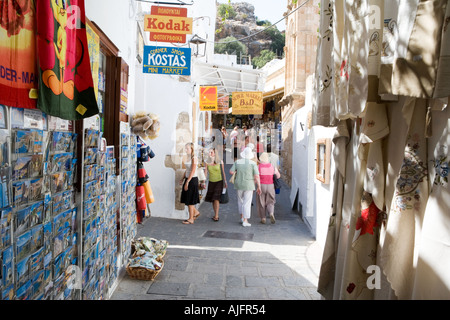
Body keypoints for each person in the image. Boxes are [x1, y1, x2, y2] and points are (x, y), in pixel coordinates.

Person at [229, 146, 261, 227]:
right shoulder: (253, 164)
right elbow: (257, 176)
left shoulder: (237, 162)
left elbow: (231, 172)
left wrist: (237, 171)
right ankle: (245, 220)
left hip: (238, 184)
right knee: (247, 202)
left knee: (240, 201)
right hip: (249, 185)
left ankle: (242, 217)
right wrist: (259, 187)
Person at [257, 152, 280, 224]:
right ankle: (271, 213)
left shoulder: (259, 166)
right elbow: (278, 176)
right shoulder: (272, 166)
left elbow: (256, 176)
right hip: (270, 185)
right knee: (271, 201)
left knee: (261, 202)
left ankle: (263, 218)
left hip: (261, 185)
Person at [204, 148, 227, 221]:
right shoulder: (207, 162)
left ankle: (216, 216)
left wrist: (225, 182)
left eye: (211, 152)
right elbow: (205, 173)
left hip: (219, 181)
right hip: (211, 182)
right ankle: (215, 214)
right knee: (213, 199)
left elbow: (223, 172)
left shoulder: (220, 161)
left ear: (215, 153)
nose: (210, 153)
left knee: (216, 198)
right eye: (209, 152)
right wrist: (203, 182)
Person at [180, 142, 200, 224]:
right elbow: (187, 170)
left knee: (190, 200)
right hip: (188, 179)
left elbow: (193, 170)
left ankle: (191, 218)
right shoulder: (188, 157)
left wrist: (187, 182)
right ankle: (196, 213)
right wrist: (182, 178)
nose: (186, 150)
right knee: (187, 199)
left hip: (192, 180)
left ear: (191, 149)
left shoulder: (194, 158)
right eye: (185, 148)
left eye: (187, 148)